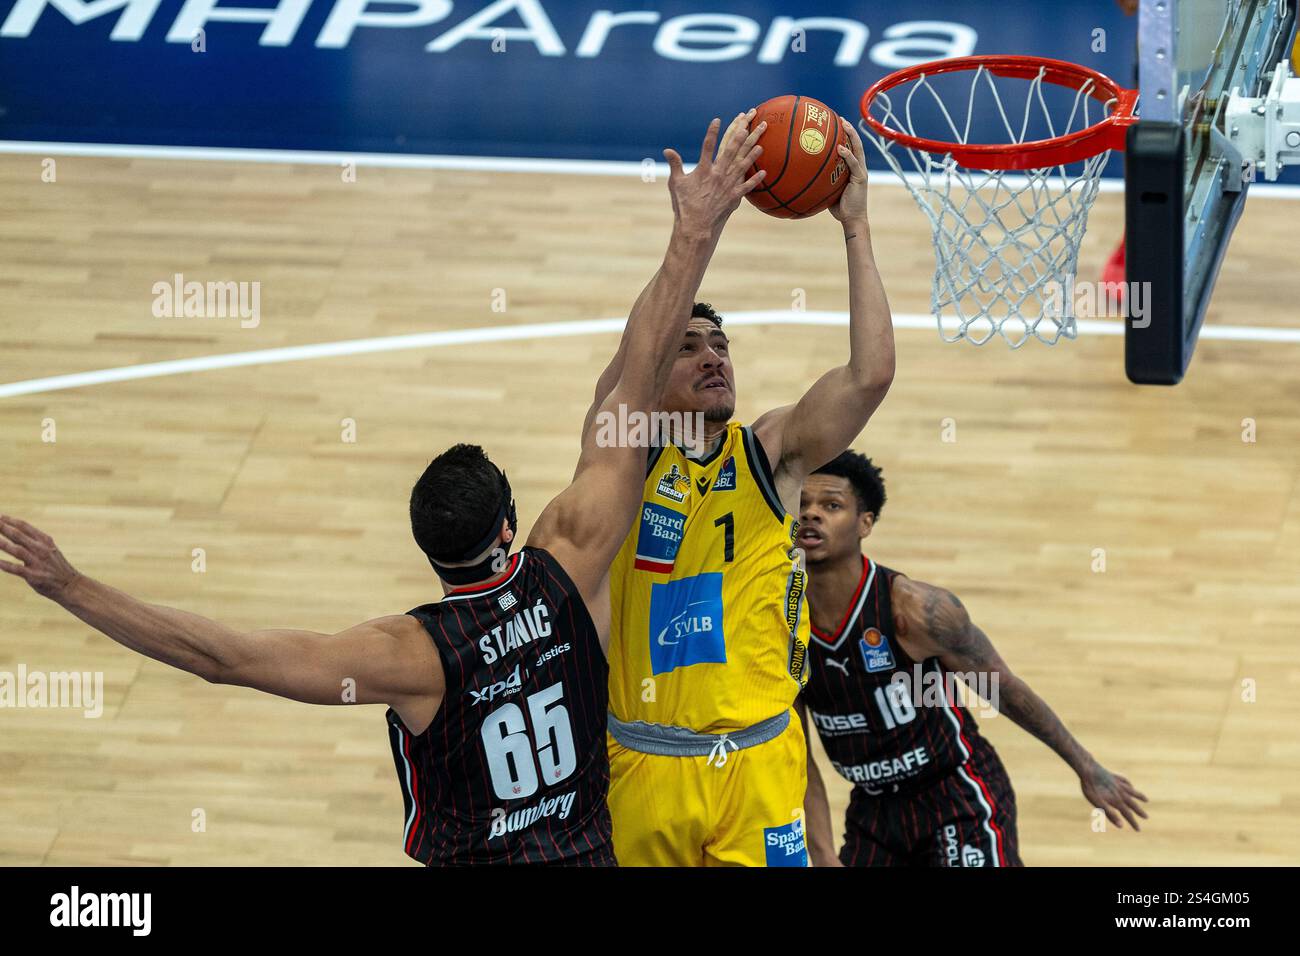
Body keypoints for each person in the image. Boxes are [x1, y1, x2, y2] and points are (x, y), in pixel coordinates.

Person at [0, 113, 767, 866]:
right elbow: (631, 384)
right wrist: (695, 230)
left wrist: (69, 585)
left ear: (432, 552)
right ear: (509, 525)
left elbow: (220, 658)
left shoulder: (413, 655)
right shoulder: (569, 560)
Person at [584, 117, 897, 866]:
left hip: (758, 765)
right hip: (646, 762)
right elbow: (635, 359)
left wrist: (855, 226)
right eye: (688, 347)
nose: (712, 356)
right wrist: (697, 230)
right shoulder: (623, 448)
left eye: (720, 344)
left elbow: (869, 376)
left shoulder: (771, 454)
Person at [797, 451, 1150, 866]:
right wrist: (820, 852)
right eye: (802, 505)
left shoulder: (916, 611)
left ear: (865, 524)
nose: (811, 515)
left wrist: (1086, 766)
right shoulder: (781, 625)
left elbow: (1001, 686)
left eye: (831, 505)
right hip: (872, 812)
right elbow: (795, 752)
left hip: (954, 795)